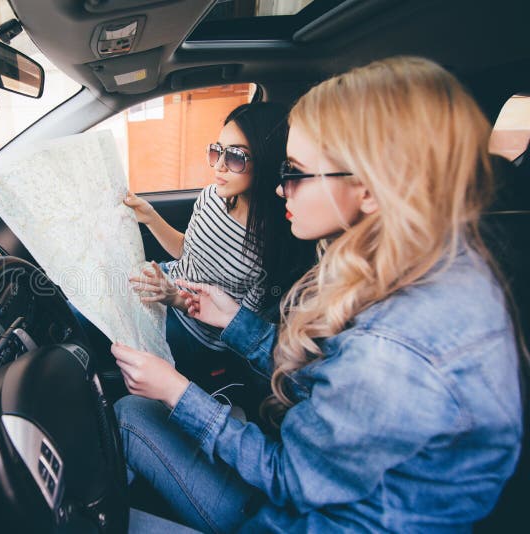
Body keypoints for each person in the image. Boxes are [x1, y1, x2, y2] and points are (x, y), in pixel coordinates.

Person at [112, 56, 524, 532]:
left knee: (126, 426)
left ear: (369, 188)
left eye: (295, 171)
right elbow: (327, 384)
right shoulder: (422, 273)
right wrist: (236, 321)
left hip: (289, 518)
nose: (280, 188)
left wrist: (177, 391)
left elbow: (286, 477)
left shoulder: (394, 350)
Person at [103, 103, 312, 395]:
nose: (219, 165)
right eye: (217, 151)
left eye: (236, 156)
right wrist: (150, 216)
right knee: (96, 301)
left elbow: (237, 331)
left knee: (111, 338)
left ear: (264, 160)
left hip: (198, 332)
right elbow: (185, 251)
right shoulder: (213, 196)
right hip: (167, 281)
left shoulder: (274, 245)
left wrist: (175, 298)